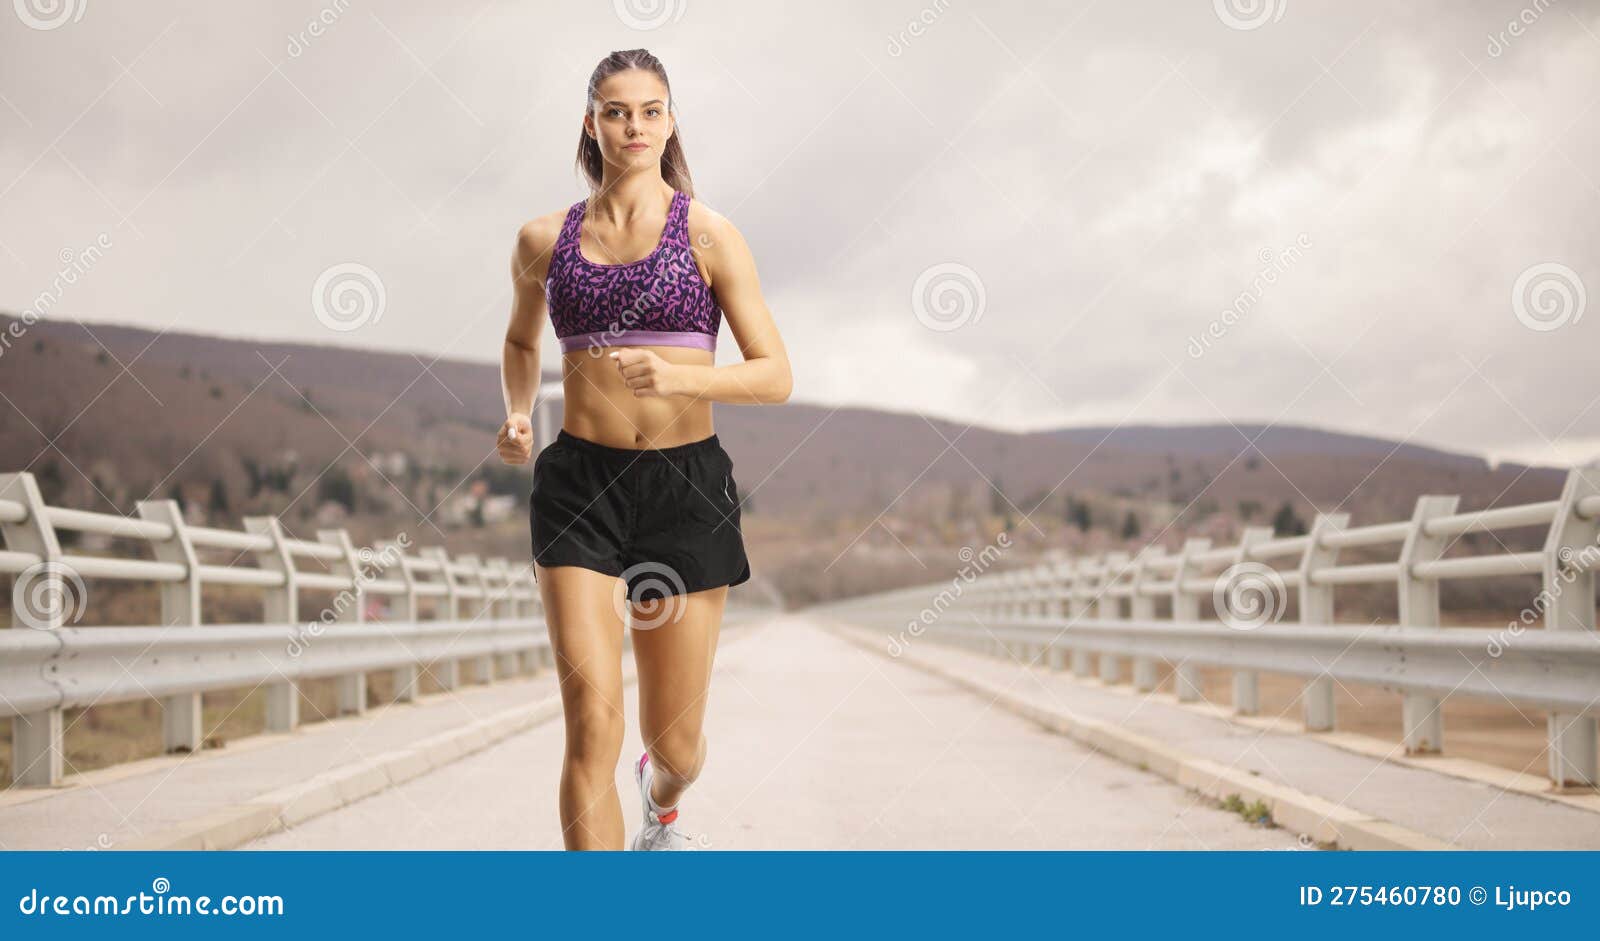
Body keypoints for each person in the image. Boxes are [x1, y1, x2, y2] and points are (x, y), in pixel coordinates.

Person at [496, 49, 792, 851]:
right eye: (617, 111)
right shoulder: (542, 240)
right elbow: (520, 342)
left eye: (650, 111)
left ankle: (660, 806)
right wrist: (518, 413)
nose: (634, 126)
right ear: (591, 123)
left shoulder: (709, 235)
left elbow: (775, 374)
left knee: (678, 745)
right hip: (578, 487)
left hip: (683, 489)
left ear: (670, 122)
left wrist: (680, 378)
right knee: (592, 721)